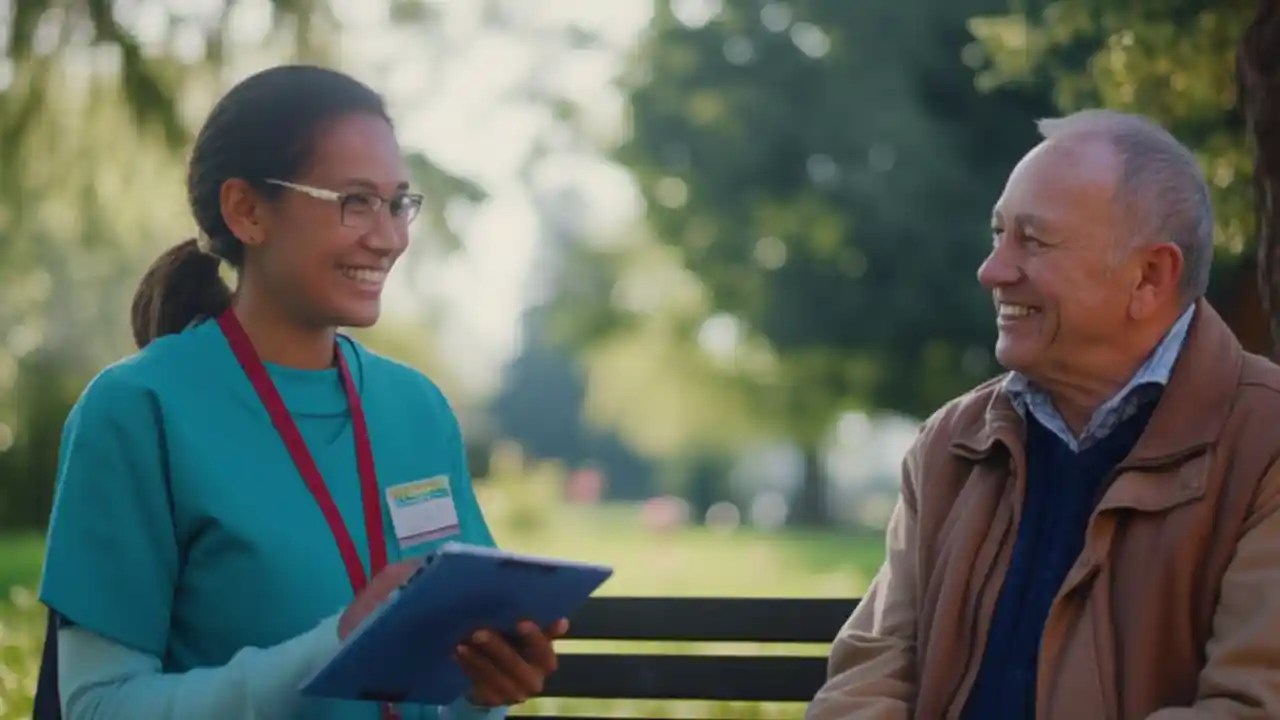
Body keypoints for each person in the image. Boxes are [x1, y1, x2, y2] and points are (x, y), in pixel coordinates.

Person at [36, 65, 565, 720]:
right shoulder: (138, 411)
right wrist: (335, 650)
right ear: (247, 211)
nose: (390, 237)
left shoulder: (417, 409)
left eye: (397, 202)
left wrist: (485, 691)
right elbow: (96, 708)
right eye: (354, 201)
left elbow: (451, 692)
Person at [808, 109, 1280, 719]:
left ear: (1150, 276)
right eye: (997, 234)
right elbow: (868, 677)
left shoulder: (1265, 443)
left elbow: (1250, 708)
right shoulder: (952, 442)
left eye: (1032, 240)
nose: (992, 271)